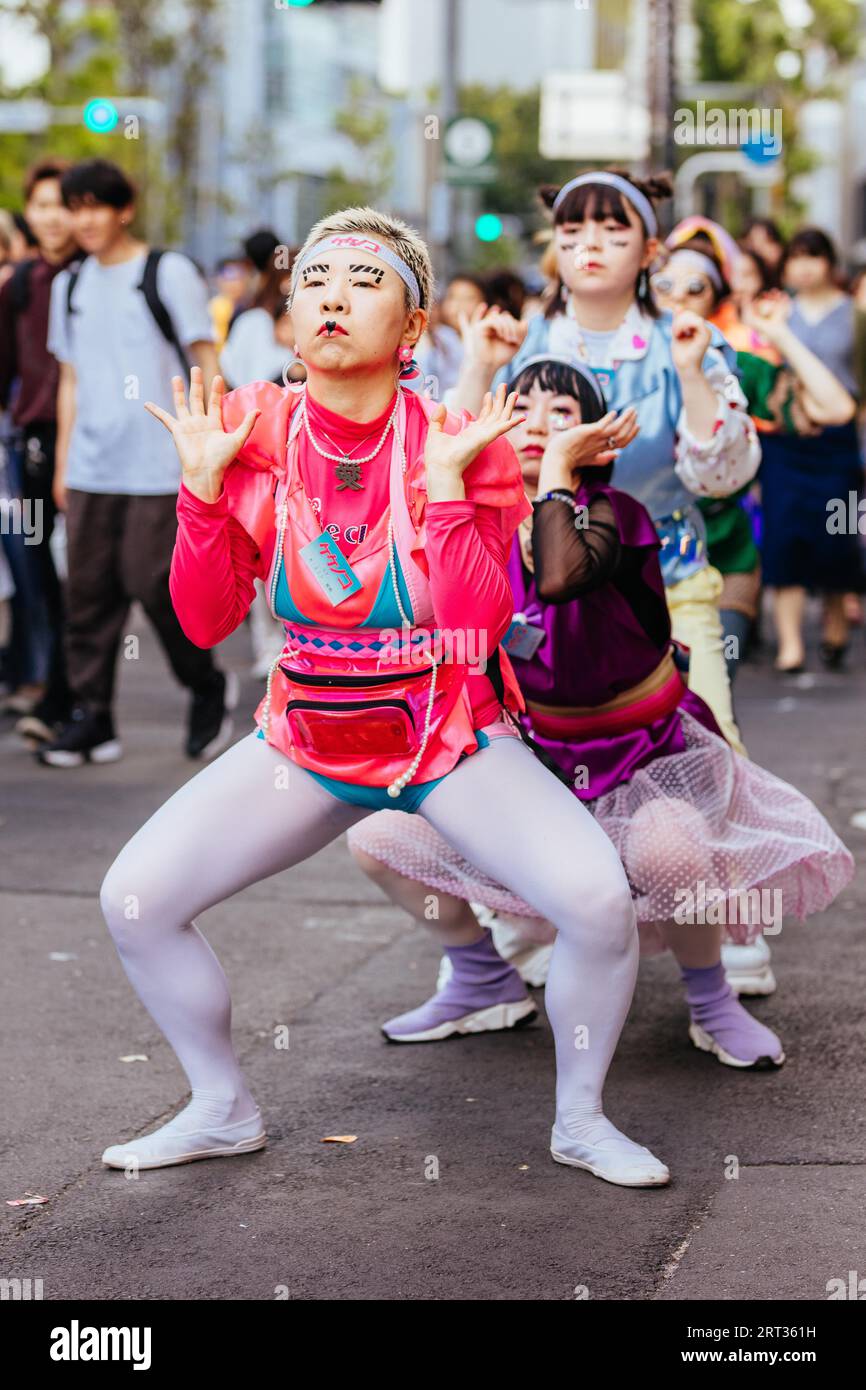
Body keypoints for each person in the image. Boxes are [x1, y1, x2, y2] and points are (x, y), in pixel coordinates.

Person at [98, 206, 671, 1189]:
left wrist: (450, 495)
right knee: (135, 900)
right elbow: (199, 624)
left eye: (365, 283)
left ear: (411, 331)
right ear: (289, 314)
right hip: (304, 746)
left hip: (447, 743)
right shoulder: (244, 427)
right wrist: (198, 493)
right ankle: (219, 1104)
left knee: (595, 902)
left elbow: (478, 621)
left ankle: (579, 1118)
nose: (331, 295)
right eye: (313, 279)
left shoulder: (461, 439)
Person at [346, 354, 854, 1064]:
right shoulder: (471, 525)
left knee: (671, 856)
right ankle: (481, 979)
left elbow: (559, 577)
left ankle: (712, 1000)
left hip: (645, 757)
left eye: (562, 415)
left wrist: (555, 469)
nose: (539, 427)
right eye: (521, 409)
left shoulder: (619, 514)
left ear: (593, 440)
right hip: (532, 766)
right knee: (380, 841)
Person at [454, 168, 761, 756]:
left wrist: (692, 373)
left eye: (611, 232)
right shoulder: (521, 339)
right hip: (531, 588)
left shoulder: (689, 340)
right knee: (509, 756)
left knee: (714, 752)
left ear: (650, 250)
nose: (588, 245)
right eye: (571, 233)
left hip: (666, 583)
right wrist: (477, 369)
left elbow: (723, 475)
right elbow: (447, 464)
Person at [39, 158, 232, 768]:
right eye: (76, 207)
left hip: (160, 464)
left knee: (157, 586)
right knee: (88, 598)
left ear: (124, 208)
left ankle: (206, 687)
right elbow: (69, 378)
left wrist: (209, 449)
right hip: (93, 467)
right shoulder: (69, 284)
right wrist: (65, 459)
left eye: (97, 205)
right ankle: (93, 719)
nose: (85, 219)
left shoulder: (165, 271)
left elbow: (205, 358)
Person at [651, 227, 856, 684]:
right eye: (663, 285)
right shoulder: (619, 368)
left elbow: (835, 408)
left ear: (716, 299)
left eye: (695, 287)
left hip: (723, 553)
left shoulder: (735, 366)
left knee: (713, 690)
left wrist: (778, 333)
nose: (678, 298)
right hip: (632, 561)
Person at [761, 228, 864, 673]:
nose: (804, 266)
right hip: (785, 440)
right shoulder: (774, 311)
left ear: (829, 262)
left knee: (836, 537)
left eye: (813, 256)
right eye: (795, 257)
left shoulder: (854, 313)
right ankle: (790, 645)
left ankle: (835, 630)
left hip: (838, 443)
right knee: (784, 536)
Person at [0, 158, 78, 741]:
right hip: (30, 449)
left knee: (92, 580)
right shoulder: (21, 283)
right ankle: (49, 686)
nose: (53, 217)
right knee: (33, 569)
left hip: (86, 452)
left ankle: (71, 695)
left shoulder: (95, 276)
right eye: (42, 205)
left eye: (62, 205)